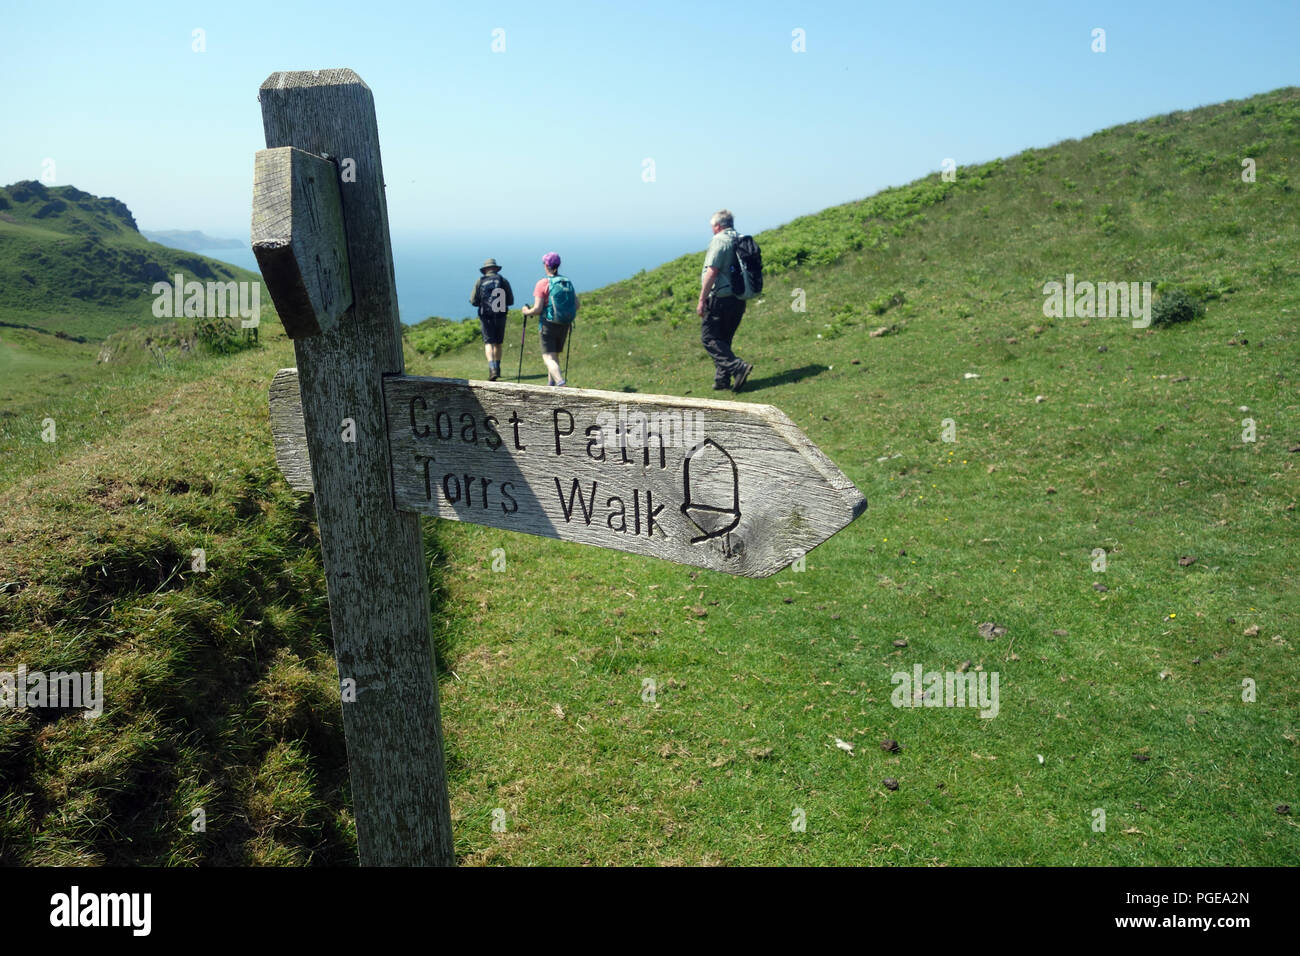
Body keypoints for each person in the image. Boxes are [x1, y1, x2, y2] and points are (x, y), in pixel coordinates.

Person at [697, 209, 753, 391]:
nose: (712, 230)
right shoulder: (740, 238)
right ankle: (722, 380)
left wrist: (701, 299)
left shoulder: (720, 240)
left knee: (709, 338)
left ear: (718, 226)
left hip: (721, 298)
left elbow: (712, 272)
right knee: (724, 338)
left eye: (713, 226)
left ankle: (738, 367)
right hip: (739, 297)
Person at [521, 252, 578, 386]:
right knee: (555, 355)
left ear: (546, 265)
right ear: (558, 265)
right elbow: (577, 305)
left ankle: (560, 383)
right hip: (564, 323)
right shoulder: (567, 282)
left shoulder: (543, 283)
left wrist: (526, 311)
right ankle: (550, 385)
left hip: (548, 324)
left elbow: (538, 309)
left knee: (548, 357)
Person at [470, 257, 514, 380]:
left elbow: (473, 300)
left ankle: (492, 368)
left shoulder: (480, 281)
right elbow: (510, 300)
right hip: (500, 315)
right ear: (496, 269)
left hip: (486, 316)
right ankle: (498, 368)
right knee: (498, 343)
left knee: (489, 343)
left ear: (485, 270)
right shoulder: (503, 281)